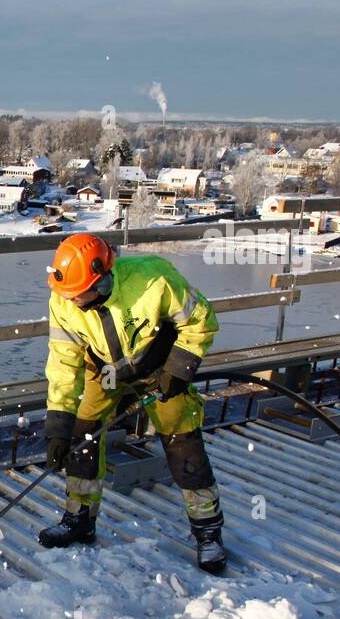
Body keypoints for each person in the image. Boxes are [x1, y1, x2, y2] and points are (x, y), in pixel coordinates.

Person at [37, 232, 226, 574]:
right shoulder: (63, 300)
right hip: (103, 369)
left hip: (159, 367)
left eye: (81, 295)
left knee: (182, 440)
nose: (75, 302)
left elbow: (200, 320)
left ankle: (207, 531)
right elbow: (64, 364)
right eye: (69, 296)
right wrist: (58, 427)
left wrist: (178, 368)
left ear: (104, 278)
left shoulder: (153, 278)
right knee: (83, 437)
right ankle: (79, 518)